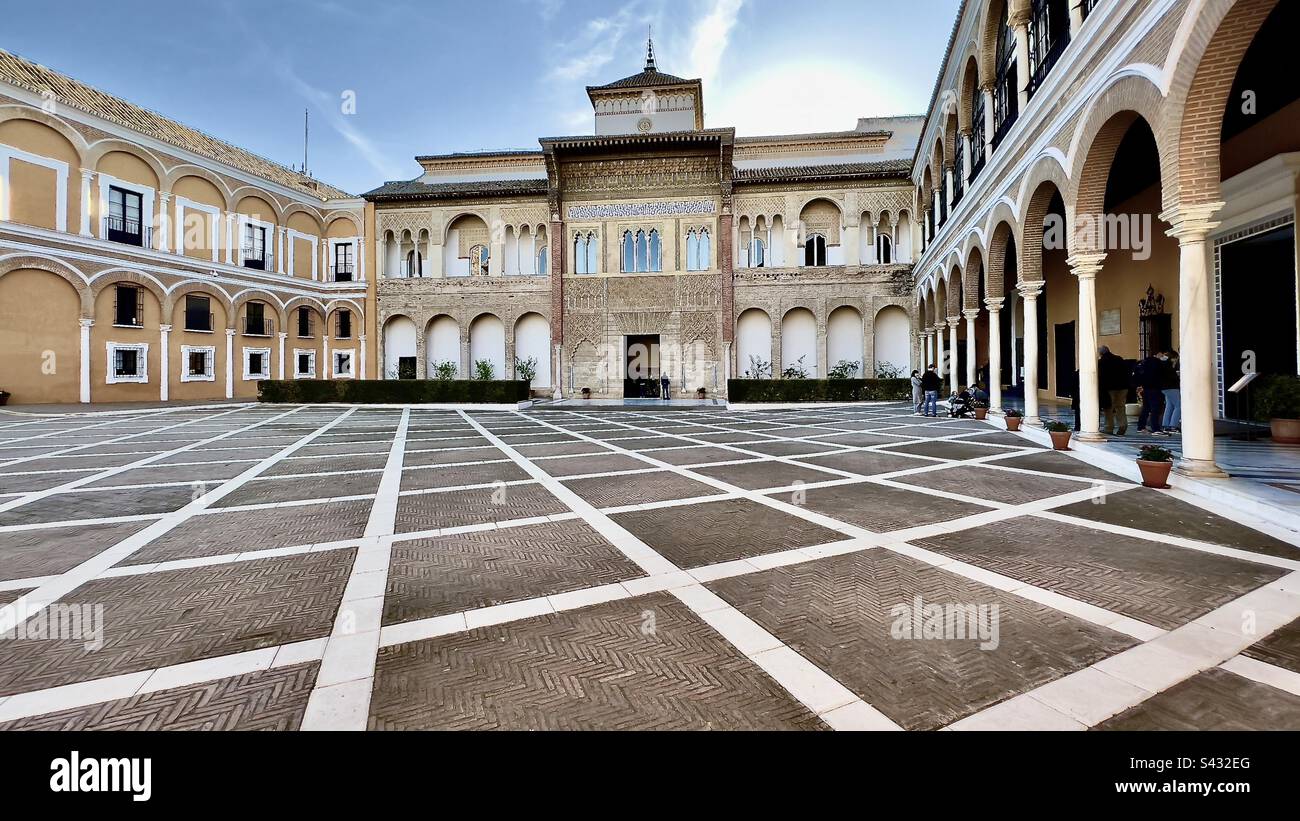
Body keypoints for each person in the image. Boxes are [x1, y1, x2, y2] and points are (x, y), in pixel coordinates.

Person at [1098, 345, 1130, 435]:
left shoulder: (1101, 362)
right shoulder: (1119, 359)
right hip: (1123, 387)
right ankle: (1123, 426)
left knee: (1109, 408)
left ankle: (1109, 428)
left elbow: (1101, 376)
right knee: (1121, 407)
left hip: (1109, 389)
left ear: (1101, 353)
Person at [1136, 350, 1166, 434]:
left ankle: (1141, 426)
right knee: (1155, 408)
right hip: (1155, 388)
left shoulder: (1146, 362)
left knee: (1146, 408)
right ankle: (1155, 428)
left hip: (1146, 388)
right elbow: (1161, 374)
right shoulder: (1157, 363)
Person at [1161, 349, 1181, 434]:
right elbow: (1172, 377)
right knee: (1178, 406)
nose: (1176, 360)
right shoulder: (1169, 365)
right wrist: (1177, 376)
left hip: (1164, 387)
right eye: (1176, 358)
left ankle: (1166, 425)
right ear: (1172, 358)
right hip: (1172, 387)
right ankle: (1173, 426)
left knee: (1169, 406)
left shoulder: (1163, 364)